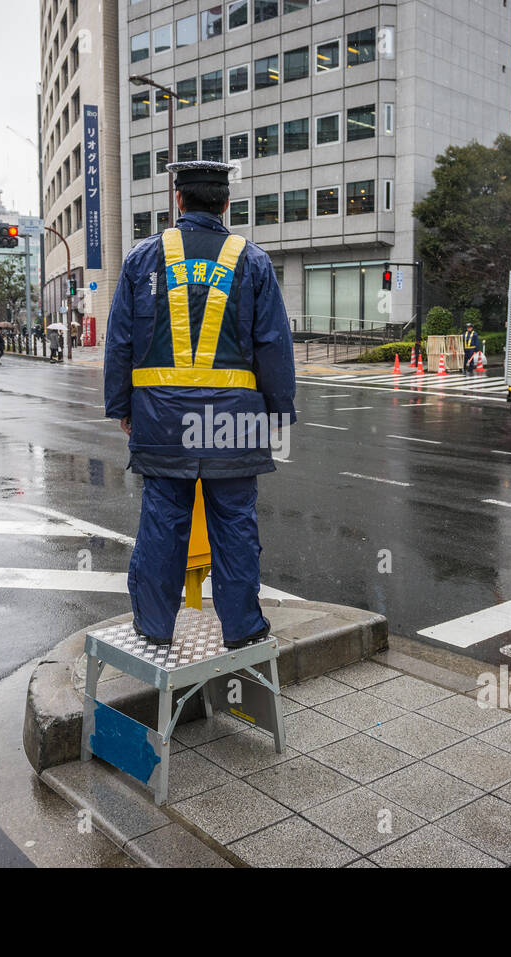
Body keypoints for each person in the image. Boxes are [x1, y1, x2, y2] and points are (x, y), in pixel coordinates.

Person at [104, 160, 296, 649]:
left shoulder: (142, 259)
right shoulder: (251, 261)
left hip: (162, 417)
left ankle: (153, 626)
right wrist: (278, 410)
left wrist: (122, 405)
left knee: (162, 526)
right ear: (226, 203)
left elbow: (120, 341)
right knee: (234, 525)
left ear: (179, 200)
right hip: (234, 420)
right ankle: (242, 629)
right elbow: (273, 342)